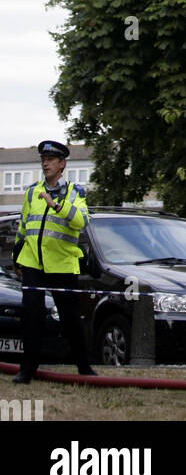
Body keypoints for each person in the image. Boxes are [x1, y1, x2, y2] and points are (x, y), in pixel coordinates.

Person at [10, 140, 96, 383]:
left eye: (50, 160)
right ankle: (27, 370)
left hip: (62, 265)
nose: (45, 163)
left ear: (62, 164)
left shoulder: (75, 193)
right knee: (32, 317)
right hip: (34, 264)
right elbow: (23, 228)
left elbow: (82, 221)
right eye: (43, 160)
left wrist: (56, 204)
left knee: (70, 319)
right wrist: (18, 258)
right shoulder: (31, 192)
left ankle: (84, 368)